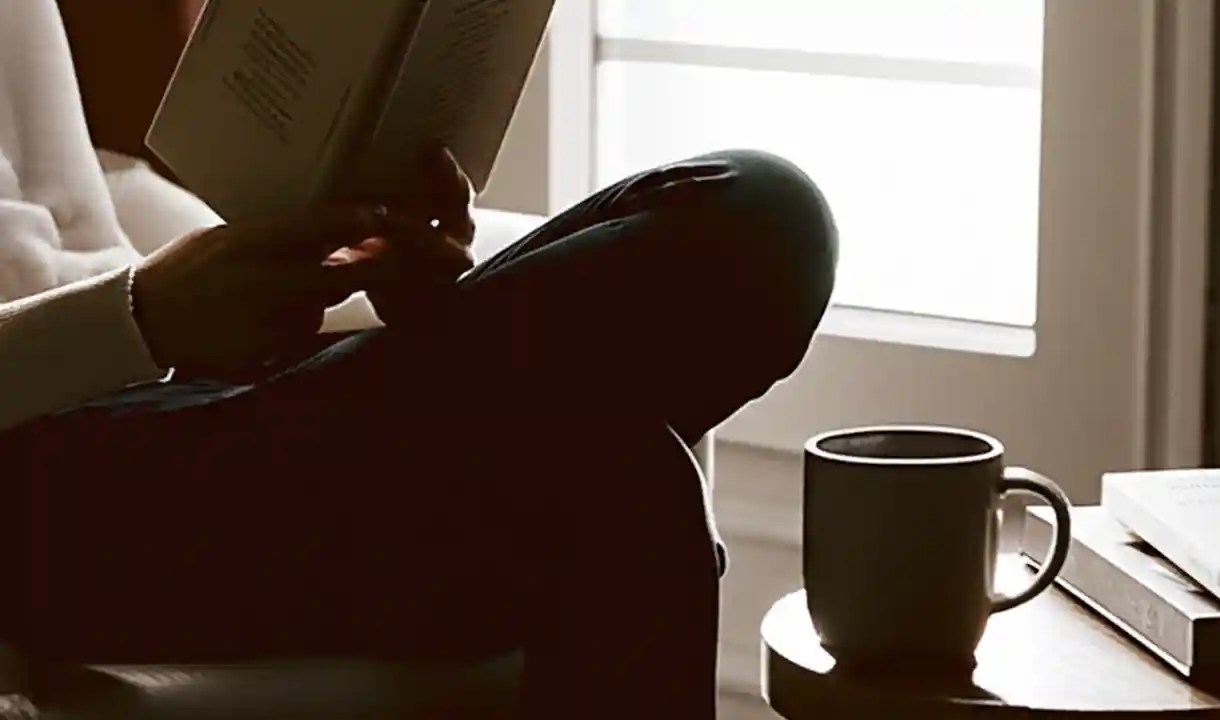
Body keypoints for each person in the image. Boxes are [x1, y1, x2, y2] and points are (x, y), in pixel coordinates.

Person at [0, 2, 837, 717]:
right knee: (751, 239)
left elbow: (85, 223)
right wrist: (142, 315)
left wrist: (342, 267)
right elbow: (116, 303)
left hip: (159, 385)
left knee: (752, 223)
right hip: (40, 473)